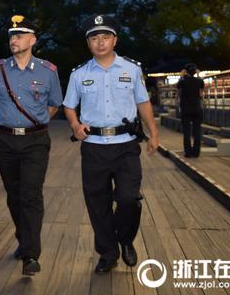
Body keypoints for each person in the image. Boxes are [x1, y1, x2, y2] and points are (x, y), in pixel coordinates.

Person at [63, 14, 159, 274]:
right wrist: (74, 124)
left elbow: (143, 102)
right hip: (93, 146)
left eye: (105, 37)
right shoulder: (79, 74)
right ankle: (108, 253)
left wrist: (154, 133)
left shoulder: (132, 69)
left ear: (115, 40)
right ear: (88, 43)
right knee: (97, 203)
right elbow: (69, 106)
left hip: (125, 145)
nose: (100, 42)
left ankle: (125, 239)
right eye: (94, 38)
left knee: (129, 199)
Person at [0, 15, 63, 276]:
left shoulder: (48, 70)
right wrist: (9, 122)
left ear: (33, 40)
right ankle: (24, 238)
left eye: (19, 36)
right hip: (4, 140)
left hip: (35, 141)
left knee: (31, 194)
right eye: (11, 36)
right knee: (13, 194)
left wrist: (35, 124)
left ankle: (30, 255)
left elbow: (53, 105)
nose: (13, 40)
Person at [177, 63, 204, 157]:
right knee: (197, 131)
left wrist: (181, 76)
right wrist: (198, 75)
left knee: (187, 132)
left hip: (185, 109)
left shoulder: (182, 81)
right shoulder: (199, 81)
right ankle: (196, 153)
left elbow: (179, 92)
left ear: (186, 71)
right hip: (197, 108)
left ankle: (188, 152)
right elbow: (201, 94)